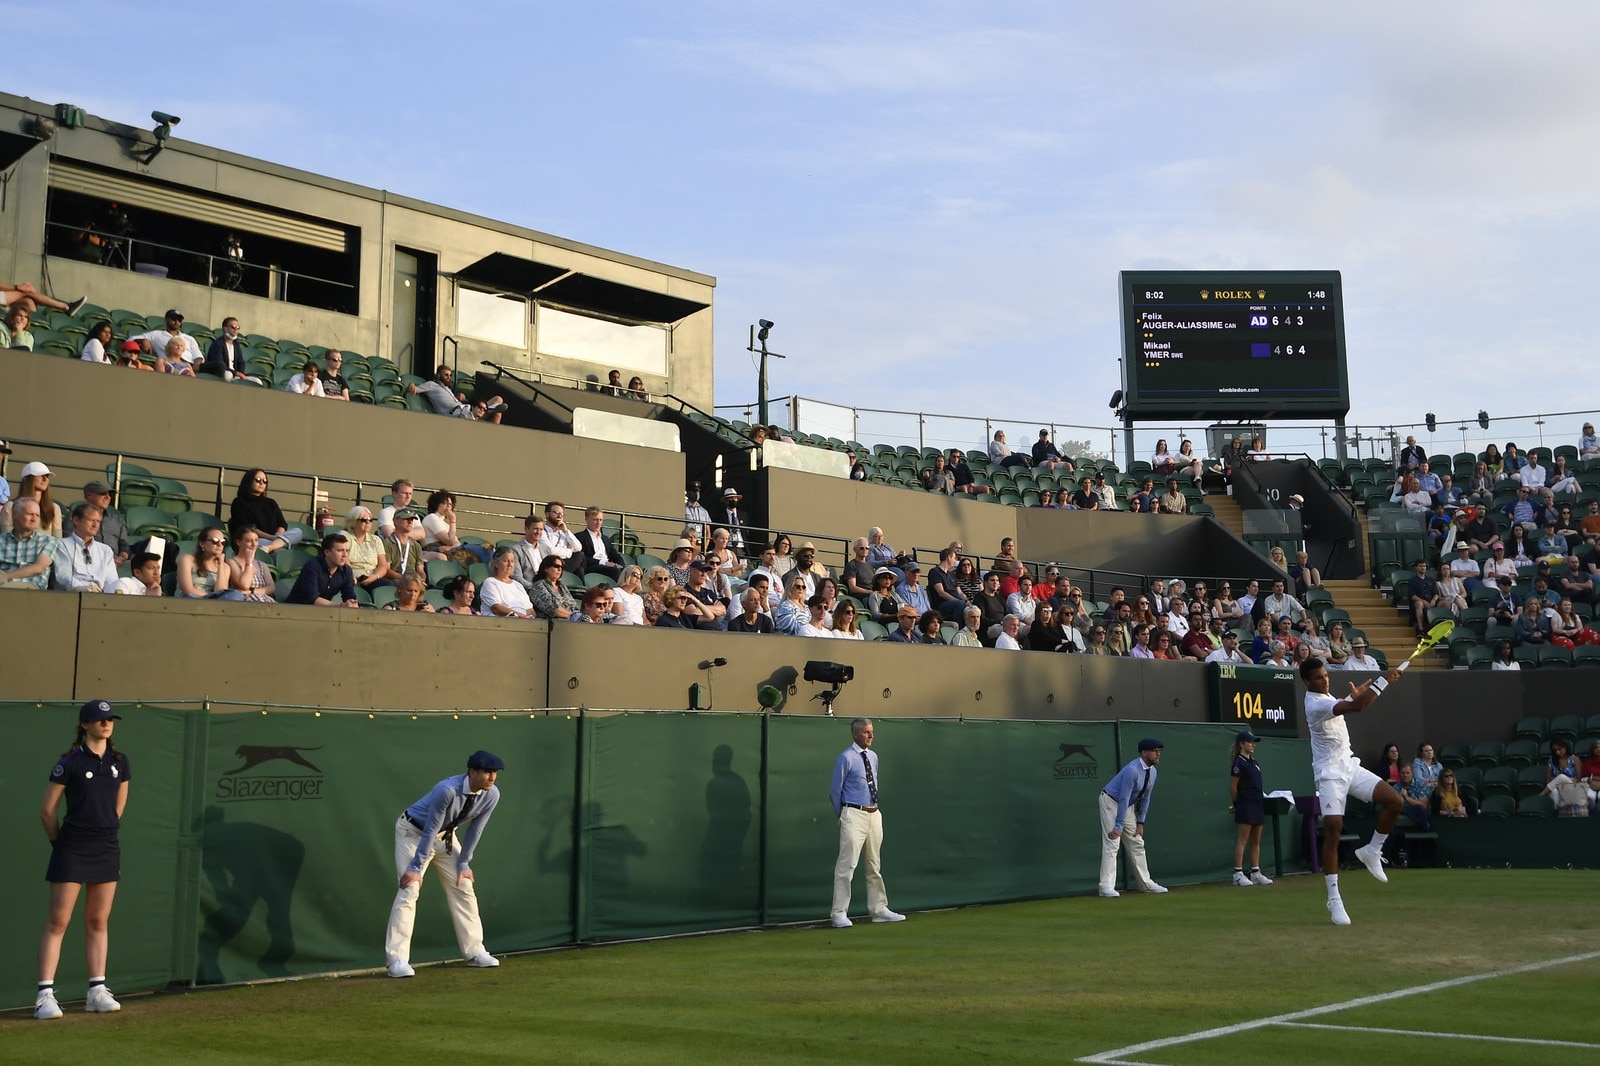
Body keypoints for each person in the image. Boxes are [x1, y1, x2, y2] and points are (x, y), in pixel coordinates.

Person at [34, 699, 131, 1019]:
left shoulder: (120, 761)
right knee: (58, 921)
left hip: (106, 847)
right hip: (72, 847)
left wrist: (105, 829)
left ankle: (96, 991)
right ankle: (44, 997)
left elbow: (118, 807)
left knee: (98, 920)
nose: (106, 724)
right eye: (99, 720)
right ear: (85, 725)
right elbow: (48, 811)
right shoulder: (70, 762)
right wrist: (59, 843)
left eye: (109, 720)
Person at [1301, 656, 1407, 925]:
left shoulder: (1326, 697)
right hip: (1328, 775)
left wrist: (1351, 696)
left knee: (1394, 801)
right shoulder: (1314, 704)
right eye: (1318, 677)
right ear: (1306, 682)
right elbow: (1358, 707)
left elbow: (1351, 704)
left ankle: (1372, 850)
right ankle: (1334, 898)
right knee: (1334, 828)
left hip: (1349, 766)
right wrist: (1384, 681)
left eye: (1326, 675)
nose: (1325, 680)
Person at [383, 751, 505, 978]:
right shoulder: (446, 790)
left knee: (464, 885)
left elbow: (476, 830)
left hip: (446, 837)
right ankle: (397, 960)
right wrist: (415, 867)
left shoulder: (492, 795)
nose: (492, 777)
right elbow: (430, 829)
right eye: (487, 772)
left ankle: (475, 951)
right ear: (472, 772)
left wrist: (464, 863)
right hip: (413, 834)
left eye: (494, 773)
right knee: (409, 889)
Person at [827, 718, 906, 927]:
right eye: (866, 732)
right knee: (847, 865)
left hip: (874, 813)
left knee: (874, 865)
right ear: (855, 734)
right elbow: (835, 790)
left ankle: (879, 909)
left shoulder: (873, 756)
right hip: (853, 813)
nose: (871, 736)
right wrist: (843, 816)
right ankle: (839, 913)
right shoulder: (846, 757)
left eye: (872, 732)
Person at [1098, 738, 1167, 897]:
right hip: (1111, 802)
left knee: (1137, 841)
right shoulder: (1132, 770)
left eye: (1159, 751)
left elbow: (1146, 797)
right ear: (1144, 753)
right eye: (1154, 751)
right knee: (1112, 842)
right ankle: (1105, 887)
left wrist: (1141, 821)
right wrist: (1118, 826)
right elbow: (1123, 798)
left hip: (1127, 806)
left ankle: (1146, 883)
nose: (1158, 754)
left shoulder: (1153, 772)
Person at [1229, 730, 1273, 887]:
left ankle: (1255, 872)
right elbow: (1233, 786)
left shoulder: (1255, 763)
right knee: (1243, 840)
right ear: (1242, 744)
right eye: (1250, 742)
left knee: (1256, 840)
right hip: (1245, 804)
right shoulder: (1238, 763)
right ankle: (1238, 874)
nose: (1253, 744)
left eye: (1253, 742)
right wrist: (1236, 803)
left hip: (1257, 803)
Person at [228, 469, 302, 554]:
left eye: (265, 481)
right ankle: (277, 547)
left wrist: (278, 535)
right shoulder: (239, 502)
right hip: (256, 540)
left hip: (272, 541)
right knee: (277, 546)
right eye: (258, 480)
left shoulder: (271, 503)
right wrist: (272, 538)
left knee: (298, 532)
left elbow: (282, 524)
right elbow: (248, 528)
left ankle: (271, 548)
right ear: (249, 481)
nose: (261, 483)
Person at [51, 501, 119, 592]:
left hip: (101, 597)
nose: (95, 525)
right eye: (91, 520)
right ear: (76, 520)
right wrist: (87, 589)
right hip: (72, 595)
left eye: (98, 521)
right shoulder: (62, 545)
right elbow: (63, 578)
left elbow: (111, 581)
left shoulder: (105, 550)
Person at [287, 532, 360, 607]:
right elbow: (312, 598)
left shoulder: (346, 570)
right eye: (340, 551)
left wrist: (351, 603)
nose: (345, 555)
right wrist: (340, 605)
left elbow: (349, 595)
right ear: (327, 552)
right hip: (297, 610)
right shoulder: (312, 567)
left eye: (347, 551)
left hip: (323, 612)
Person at [177, 529, 246, 600]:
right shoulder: (187, 560)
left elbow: (220, 591)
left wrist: (221, 564)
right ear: (202, 543)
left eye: (222, 542)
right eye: (215, 541)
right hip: (190, 601)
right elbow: (188, 590)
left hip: (213, 604)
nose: (219, 545)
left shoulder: (225, 567)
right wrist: (212, 598)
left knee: (236, 594)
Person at [343, 506, 394, 592]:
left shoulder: (376, 540)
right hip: (352, 577)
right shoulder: (344, 536)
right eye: (363, 520)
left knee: (392, 585)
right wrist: (351, 576)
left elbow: (383, 565)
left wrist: (375, 576)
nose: (368, 522)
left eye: (370, 520)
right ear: (353, 521)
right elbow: (344, 559)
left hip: (372, 577)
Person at [479, 547, 535, 619]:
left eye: (512, 561)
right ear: (496, 563)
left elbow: (530, 609)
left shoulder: (518, 585)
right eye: (506, 561)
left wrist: (529, 619)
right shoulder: (490, 582)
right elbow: (496, 608)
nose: (510, 564)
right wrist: (523, 617)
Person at [82, 480, 129, 564]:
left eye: (110, 494)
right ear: (89, 495)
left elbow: (124, 546)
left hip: (117, 564)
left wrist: (121, 558)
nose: (108, 497)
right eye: (103, 493)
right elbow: (73, 542)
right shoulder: (77, 518)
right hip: (89, 560)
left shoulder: (117, 520)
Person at [528, 555, 578, 621]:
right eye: (556, 566)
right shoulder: (538, 586)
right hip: (551, 625)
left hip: (571, 622)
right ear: (546, 568)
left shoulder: (563, 587)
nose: (560, 569)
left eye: (561, 567)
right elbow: (553, 609)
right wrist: (574, 617)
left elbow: (575, 607)